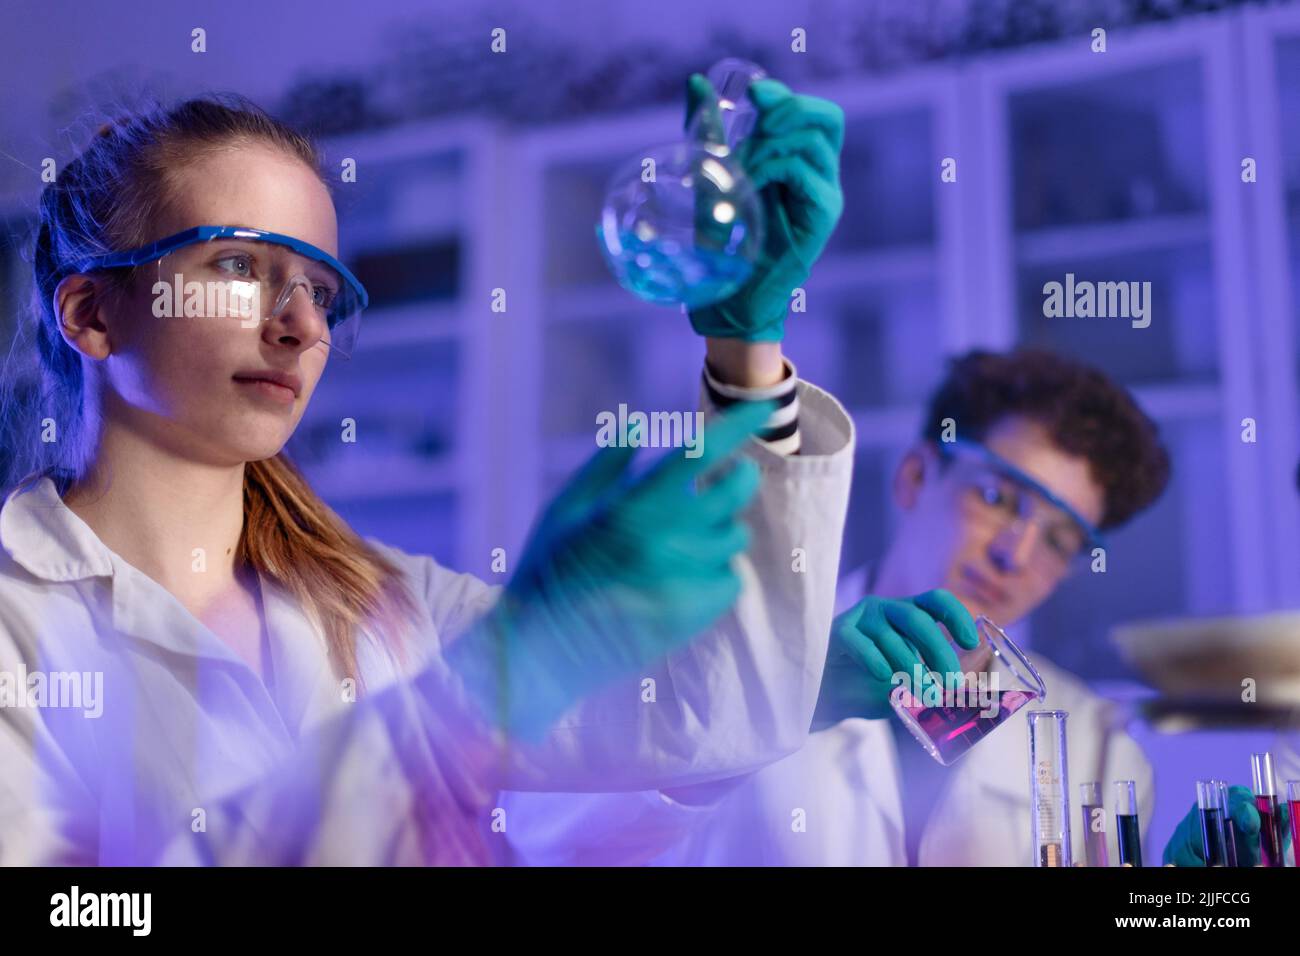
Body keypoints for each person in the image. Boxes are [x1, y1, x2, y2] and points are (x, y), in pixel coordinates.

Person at [0, 81, 853, 865]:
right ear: (91, 312)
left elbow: (706, 721)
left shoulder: (391, 605)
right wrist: (467, 710)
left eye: (319, 289)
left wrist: (748, 342)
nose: (299, 324)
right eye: (238, 267)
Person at [504, 348, 1172, 866]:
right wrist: (789, 699)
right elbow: (545, 836)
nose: (1015, 556)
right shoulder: (721, 654)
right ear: (914, 477)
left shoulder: (1098, 747)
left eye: (1060, 539)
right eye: (997, 499)